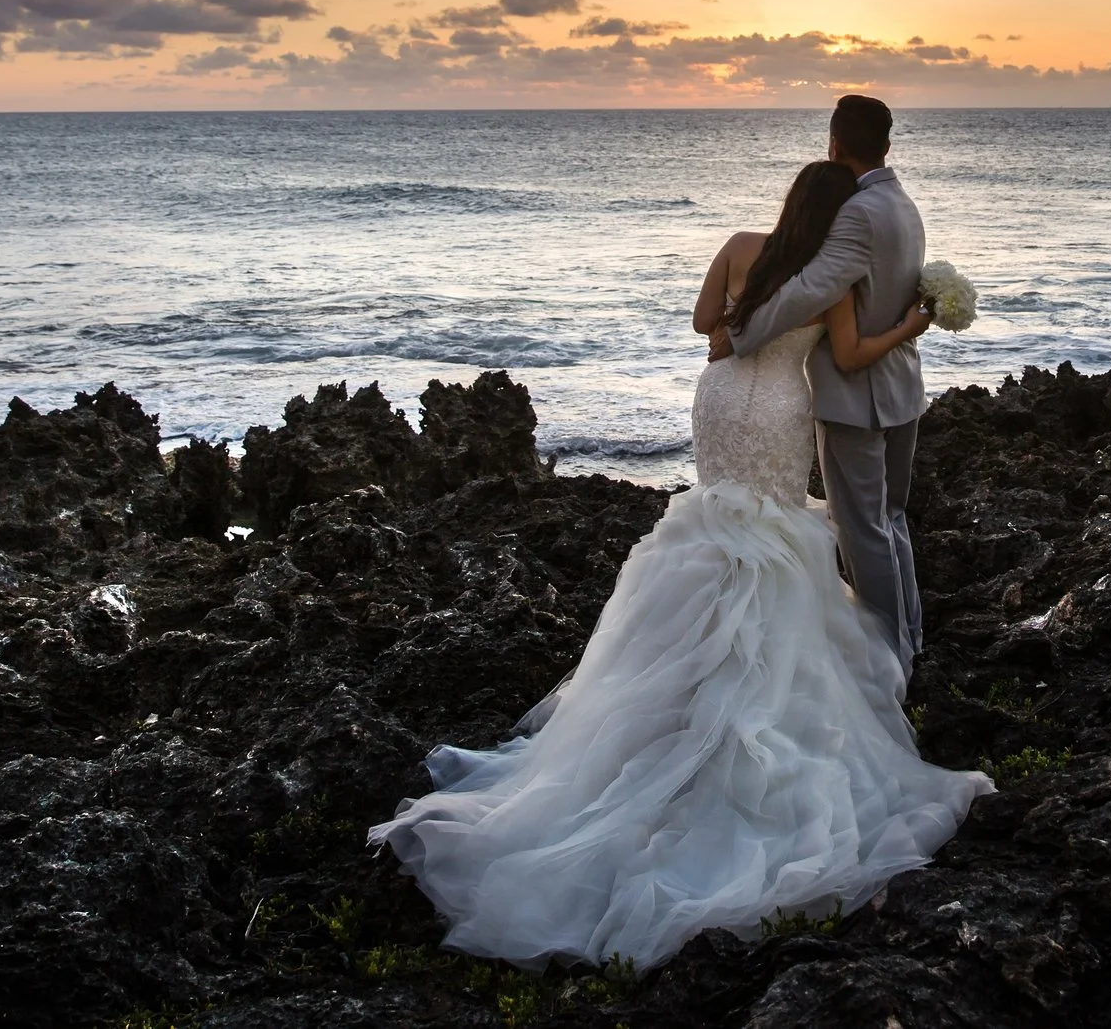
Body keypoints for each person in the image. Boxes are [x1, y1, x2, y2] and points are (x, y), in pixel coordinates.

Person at [367, 156, 989, 971]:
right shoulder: (829, 277)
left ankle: (672, 700)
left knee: (712, 523)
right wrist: (913, 322)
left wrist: (737, 328)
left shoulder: (740, 245)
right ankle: (729, 707)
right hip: (781, 410)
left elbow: (705, 325)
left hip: (721, 399)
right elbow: (850, 353)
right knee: (770, 530)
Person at [721, 95, 930, 668]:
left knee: (863, 531)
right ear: (887, 146)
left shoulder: (858, 213)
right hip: (902, 388)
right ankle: (911, 639)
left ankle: (889, 658)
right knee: (892, 520)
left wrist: (740, 331)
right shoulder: (904, 205)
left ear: (834, 145)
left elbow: (812, 288)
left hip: (856, 399)